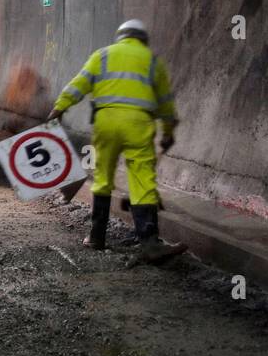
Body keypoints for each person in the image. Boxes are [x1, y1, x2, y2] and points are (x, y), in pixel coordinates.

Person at [48, 19, 183, 261]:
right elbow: (165, 102)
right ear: (143, 39)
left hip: (106, 123)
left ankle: (96, 236)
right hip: (138, 125)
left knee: (102, 176)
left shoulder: (102, 56)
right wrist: (168, 132)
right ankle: (149, 242)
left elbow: (78, 85)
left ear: (121, 36)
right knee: (142, 179)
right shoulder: (152, 61)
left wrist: (59, 108)